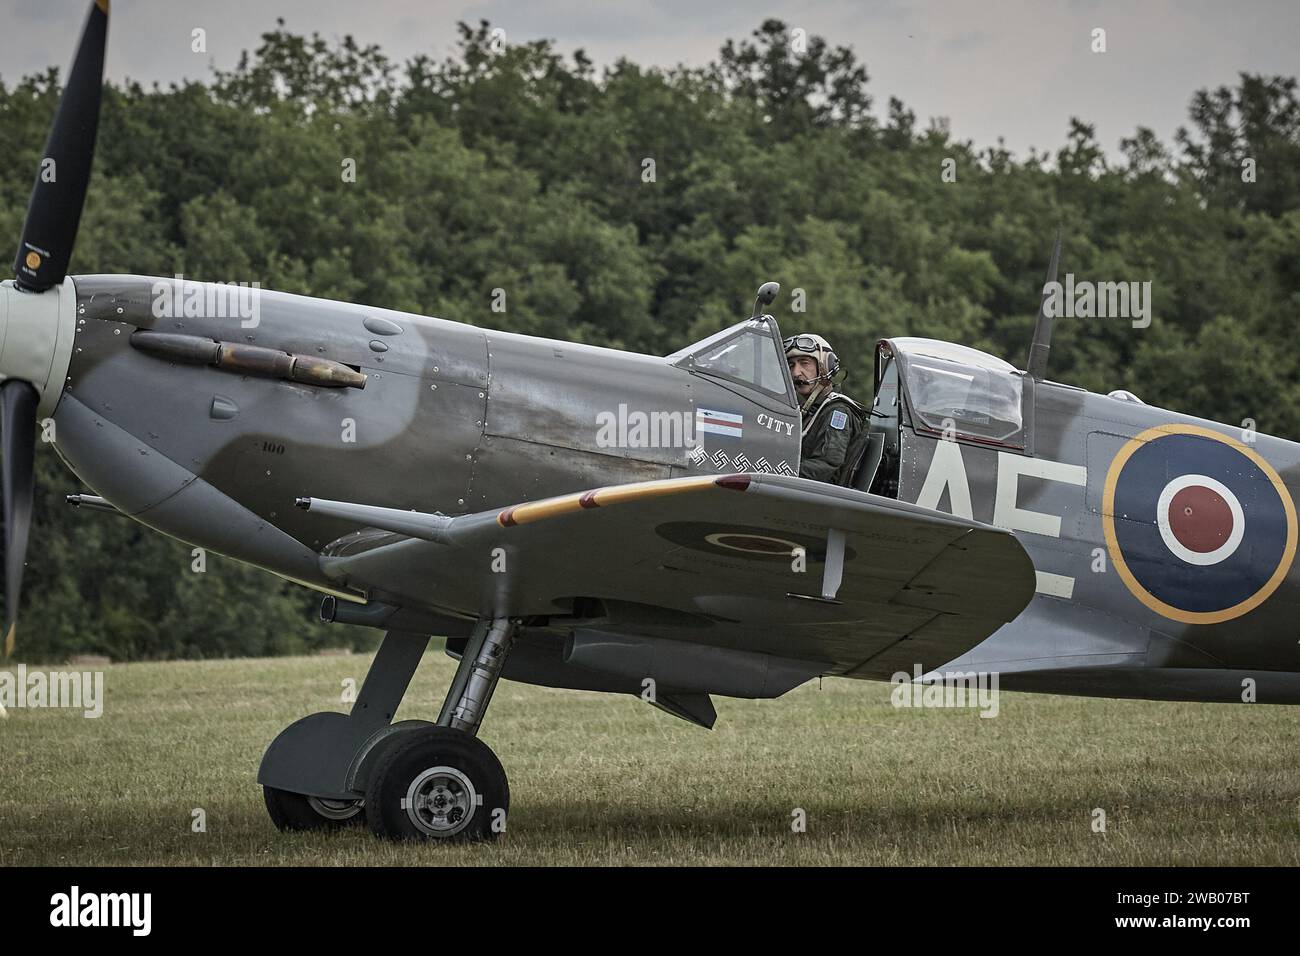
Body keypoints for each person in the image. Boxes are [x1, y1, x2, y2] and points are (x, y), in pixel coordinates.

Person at [784, 333, 867, 486]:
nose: (796, 372)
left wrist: (780, 473)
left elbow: (826, 465)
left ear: (824, 367)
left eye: (804, 363)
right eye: (791, 365)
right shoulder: (808, 411)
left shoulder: (838, 411)